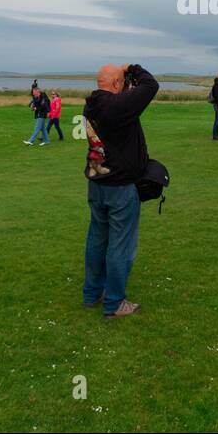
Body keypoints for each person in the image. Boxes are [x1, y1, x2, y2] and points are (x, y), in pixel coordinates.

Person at [81, 63, 159, 318]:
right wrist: (132, 68)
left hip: (97, 182)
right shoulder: (118, 106)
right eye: (122, 82)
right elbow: (150, 85)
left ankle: (93, 294)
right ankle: (114, 303)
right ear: (116, 84)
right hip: (120, 187)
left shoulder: (91, 104)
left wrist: (124, 80)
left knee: (97, 239)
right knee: (121, 245)